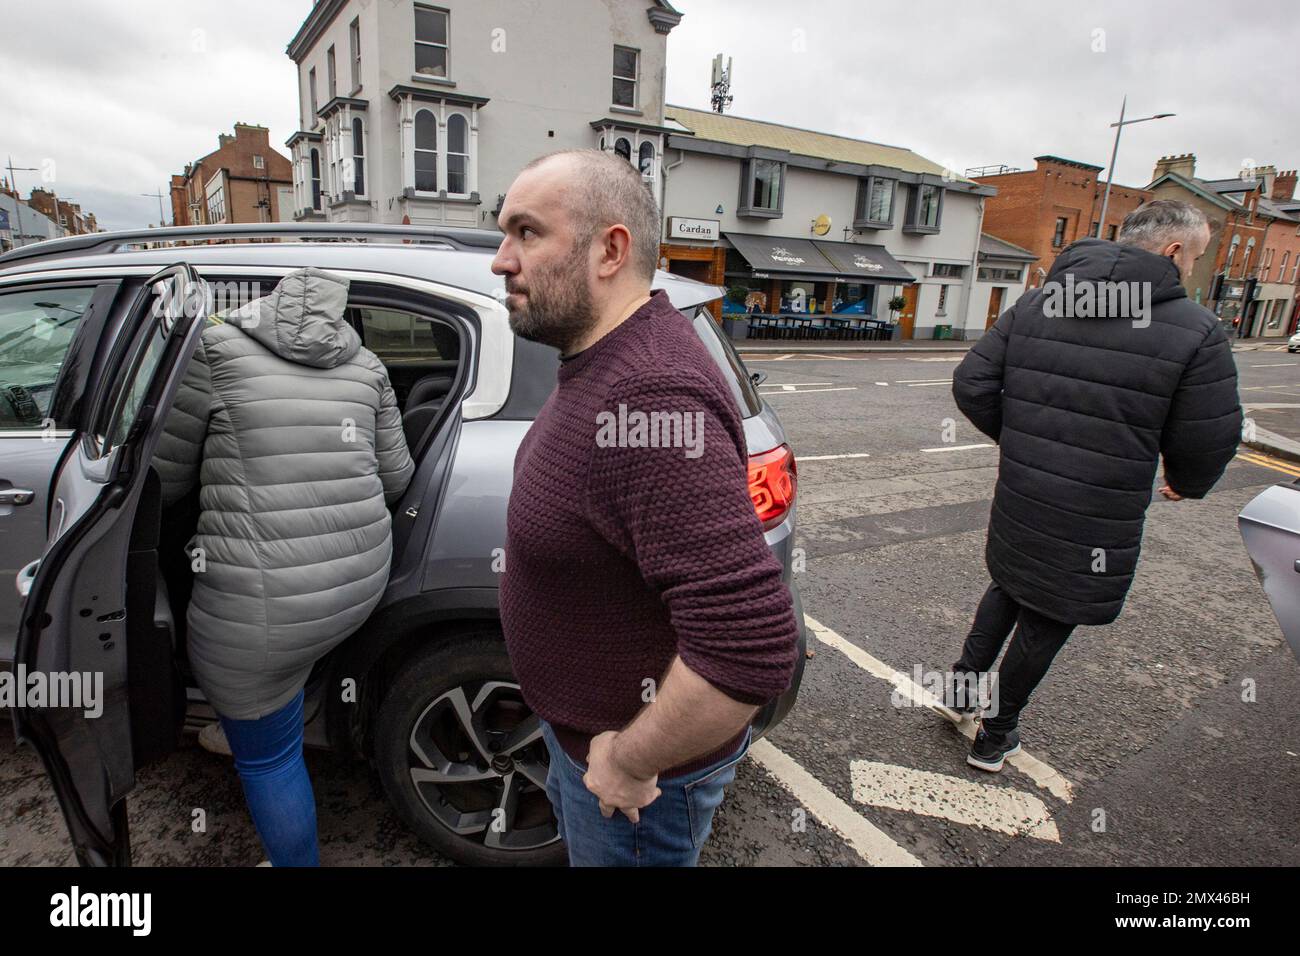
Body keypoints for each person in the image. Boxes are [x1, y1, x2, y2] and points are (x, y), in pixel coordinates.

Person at [491, 150, 801, 866]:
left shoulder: (650, 395)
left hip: (631, 782)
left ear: (611, 249)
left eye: (527, 233)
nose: (502, 260)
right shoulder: (598, 356)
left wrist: (629, 761)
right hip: (582, 742)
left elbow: (747, 650)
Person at [949, 199, 1242, 771]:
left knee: (1010, 583)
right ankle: (995, 733)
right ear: (1174, 251)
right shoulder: (1195, 330)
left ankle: (960, 695)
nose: (1193, 269)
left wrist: (1025, 440)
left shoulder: (1039, 303)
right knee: (1049, 613)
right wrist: (1187, 480)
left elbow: (972, 383)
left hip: (1025, 491)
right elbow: (1209, 433)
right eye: (1197, 257)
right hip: (1098, 508)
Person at [152, 267, 414, 864]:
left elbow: (161, 482)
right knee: (274, 677)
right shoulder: (369, 366)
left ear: (266, 303)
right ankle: (262, 709)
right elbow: (397, 477)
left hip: (261, 604)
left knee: (268, 757)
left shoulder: (214, 347)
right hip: (357, 579)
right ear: (339, 314)